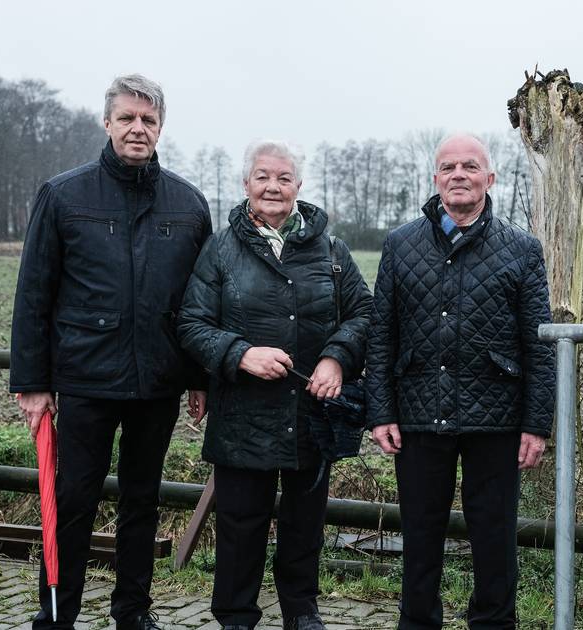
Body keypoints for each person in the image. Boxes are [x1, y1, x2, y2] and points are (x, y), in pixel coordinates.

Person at [10, 74, 212, 630]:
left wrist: (199, 377)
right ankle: (57, 614)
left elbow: (200, 301)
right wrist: (32, 381)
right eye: (127, 118)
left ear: (161, 127)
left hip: (157, 381)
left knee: (141, 504)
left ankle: (133, 612)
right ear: (107, 123)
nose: (137, 128)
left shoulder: (189, 204)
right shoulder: (63, 195)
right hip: (84, 378)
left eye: (148, 120)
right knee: (73, 501)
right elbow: (34, 293)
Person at [177, 140, 372, 630]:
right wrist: (241, 353)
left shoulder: (331, 249)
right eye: (263, 176)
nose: (273, 186)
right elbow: (192, 324)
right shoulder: (220, 250)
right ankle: (236, 615)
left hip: (311, 412)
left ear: (298, 187)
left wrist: (336, 358)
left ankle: (301, 611)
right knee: (240, 524)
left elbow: (366, 314)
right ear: (246, 185)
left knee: (304, 524)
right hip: (243, 414)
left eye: (284, 178)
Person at [366, 133, 555, 629]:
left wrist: (537, 424)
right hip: (418, 414)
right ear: (435, 179)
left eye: (470, 166)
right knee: (421, 536)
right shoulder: (400, 244)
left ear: (489, 179)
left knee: (494, 537)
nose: (458, 175)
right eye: (448, 167)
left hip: (495, 419)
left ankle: (493, 623)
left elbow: (538, 344)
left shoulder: (522, 250)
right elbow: (382, 333)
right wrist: (380, 410)